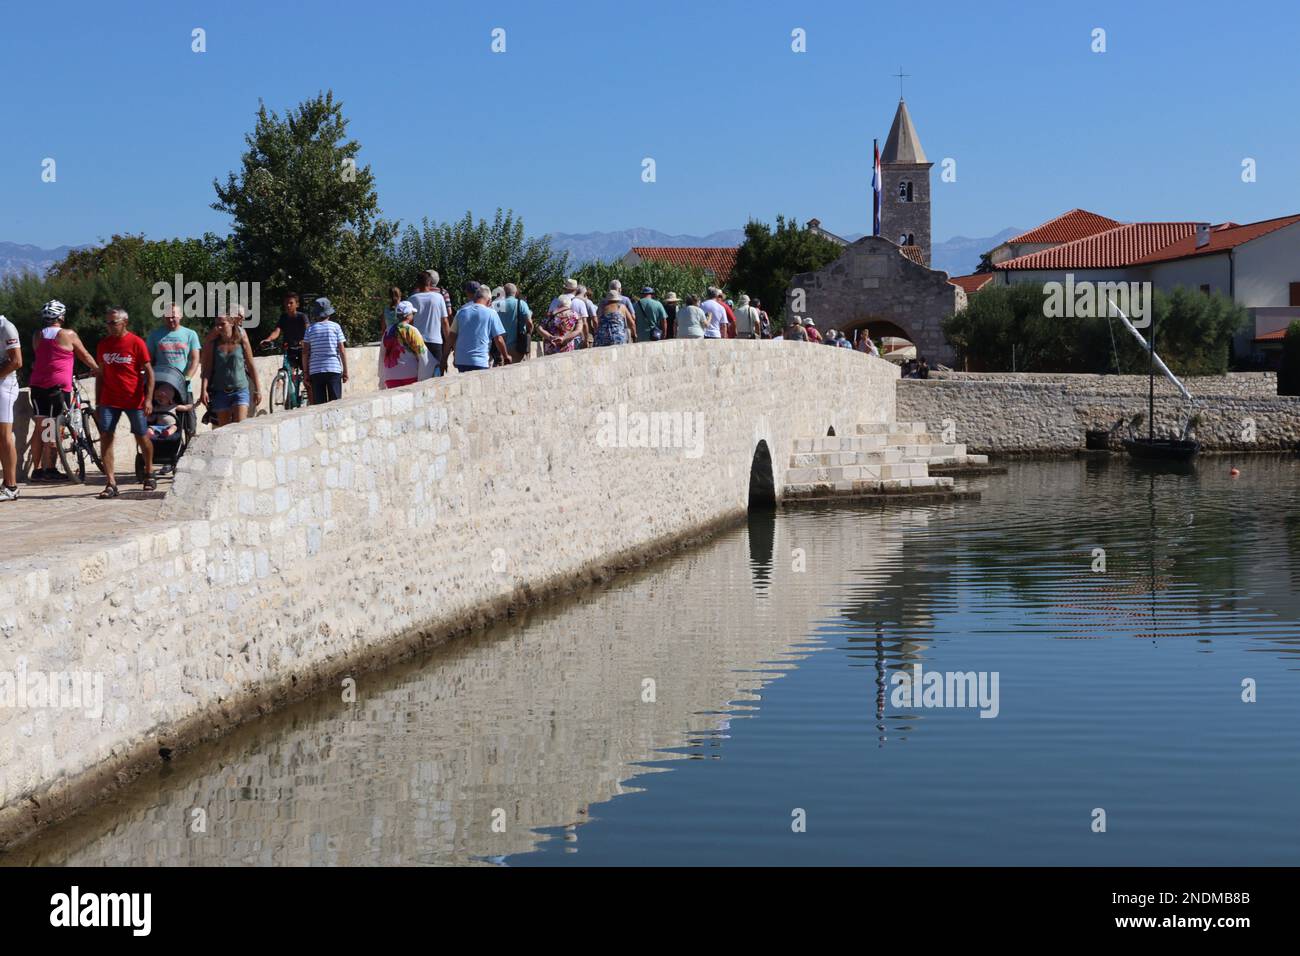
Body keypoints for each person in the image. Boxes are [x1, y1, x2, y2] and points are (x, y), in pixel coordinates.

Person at [27, 299, 98, 482]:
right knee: (53, 428)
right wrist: (97, 370)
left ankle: (37, 470)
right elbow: (85, 356)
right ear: (61, 317)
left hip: (36, 385)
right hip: (57, 386)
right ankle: (50, 470)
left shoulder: (37, 335)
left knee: (40, 427)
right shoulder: (68, 334)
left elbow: (42, 356)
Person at [94, 308, 155, 497]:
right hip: (109, 399)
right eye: (108, 323)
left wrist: (149, 399)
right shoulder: (103, 345)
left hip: (133, 399)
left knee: (141, 436)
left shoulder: (136, 343)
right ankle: (111, 482)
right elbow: (101, 374)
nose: (110, 327)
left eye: (114, 323)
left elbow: (149, 373)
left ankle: (149, 471)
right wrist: (98, 403)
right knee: (106, 436)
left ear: (124, 322)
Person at [201, 312, 261, 426]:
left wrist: (257, 390)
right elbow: (207, 369)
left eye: (222, 324)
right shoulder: (213, 344)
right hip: (220, 392)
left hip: (240, 390)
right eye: (217, 324)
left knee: (240, 428)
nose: (219, 327)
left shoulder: (241, 340)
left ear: (232, 323)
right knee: (224, 430)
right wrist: (203, 390)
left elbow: (250, 365)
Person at [448, 283, 510, 372]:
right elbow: (499, 339)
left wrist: (444, 358)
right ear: (489, 301)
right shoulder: (491, 313)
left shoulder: (461, 312)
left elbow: (451, 337)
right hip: (479, 361)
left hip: (461, 361)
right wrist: (506, 356)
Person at [301, 298, 349, 403]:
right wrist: (345, 371)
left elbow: (305, 353)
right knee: (335, 404)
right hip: (334, 369)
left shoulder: (310, 329)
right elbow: (342, 350)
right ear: (329, 313)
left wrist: (306, 373)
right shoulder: (336, 327)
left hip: (315, 371)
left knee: (320, 406)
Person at [378, 301, 433, 388]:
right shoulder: (412, 330)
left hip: (390, 375)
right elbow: (422, 354)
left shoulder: (388, 330)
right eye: (413, 313)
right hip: (410, 374)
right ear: (408, 315)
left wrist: (381, 378)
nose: (413, 316)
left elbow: (382, 354)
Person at [146, 303, 201, 383]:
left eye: (173, 316)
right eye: (167, 316)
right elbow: (148, 360)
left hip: (182, 383)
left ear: (180, 315)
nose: (170, 319)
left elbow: (195, 359)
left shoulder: (191, 334)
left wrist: (187, 378)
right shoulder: (154, 335)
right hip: (160, 382)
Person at [408, 271, 450, 376]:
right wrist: (450, 343)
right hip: (435, 341)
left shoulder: (412, 299)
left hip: (417, 341)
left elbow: (409, 323)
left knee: (419, 374)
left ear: (417, 283)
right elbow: (445, 322)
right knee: (437, 375)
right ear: (430, 283)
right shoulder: (438, 298)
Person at [0, 312, 21, 501]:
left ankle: (11, 486)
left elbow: (17, 361)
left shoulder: (6, 327)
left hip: (5, 386)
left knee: (4, 435)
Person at [494, 282, 533, 363]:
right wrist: (529, 333)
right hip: (517, 345)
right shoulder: (520, 303)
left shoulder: (497, 305)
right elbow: (529, 322)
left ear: (503, 292)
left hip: (500, 346)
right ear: (515, 292)